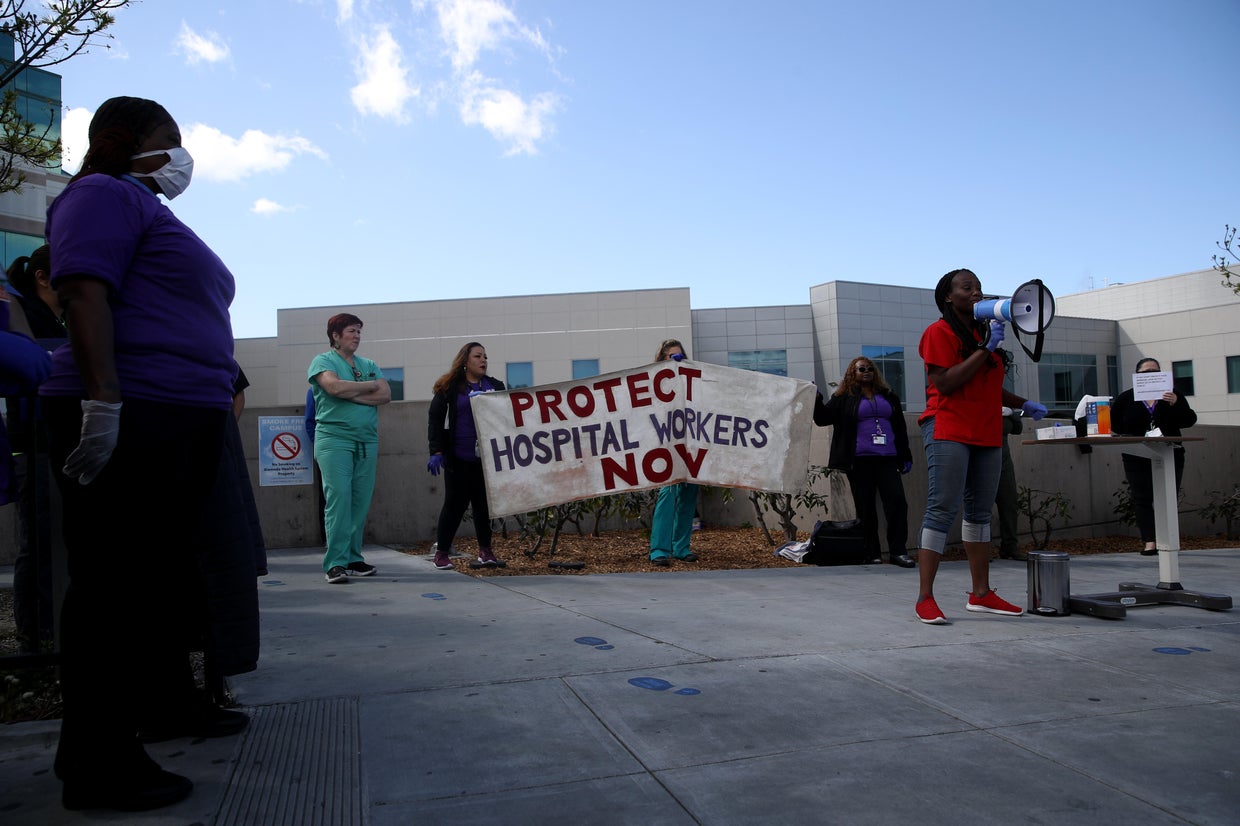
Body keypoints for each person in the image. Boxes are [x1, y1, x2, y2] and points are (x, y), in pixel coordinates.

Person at [41, 95, 241, 811]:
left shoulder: (147, 208)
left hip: (180, 414)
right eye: (171, 139)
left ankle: (165, 705)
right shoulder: (98, 194)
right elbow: (85, 292)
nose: (184, 154)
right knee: (112, 583)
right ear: (128, 141)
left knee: (161, 577)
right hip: (132, 411)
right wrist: (103, 400)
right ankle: (95, 760)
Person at [914, 269, 1047, 625]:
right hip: (949, 425)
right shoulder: (938, 332)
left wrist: (1023, 403)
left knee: (979, 513)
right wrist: (986, 348)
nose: (976, 293)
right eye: (966, 287)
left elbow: (985, 386)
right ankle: (925, 597)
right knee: (942, 508)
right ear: (947, 296)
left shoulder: (982, 333)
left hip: (987, 429)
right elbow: (946, 382)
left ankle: (981, 593)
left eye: (979, 288)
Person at [4, 245, 64, 651]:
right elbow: (34, 368)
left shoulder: (54, 320)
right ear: (43, 277)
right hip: (34, 446)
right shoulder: (24, 316)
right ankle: (36, 635)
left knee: (50, 541)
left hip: (52, 444)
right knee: (39, 543)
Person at [308, 313, 391, 583]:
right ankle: (335, 562)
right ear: (335, 335)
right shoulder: (323, 361)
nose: (356, 336)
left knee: (360, 502)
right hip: (334, 439)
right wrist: (368, 387)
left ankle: (354, 557)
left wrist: (349, 392)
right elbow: (332, 387)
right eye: (351, 331)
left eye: (359, 331)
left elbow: (386, 395)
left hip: (367, 440)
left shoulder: (368, 363)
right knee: (339, 499)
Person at [814, 356, 916, 568]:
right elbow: (822, 418)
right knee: (866, 507)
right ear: (853, 373)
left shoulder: (888, 396)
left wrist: (905, 456)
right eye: (861, 369)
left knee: (897, 503)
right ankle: (872, 553)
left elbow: (900, 428)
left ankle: (898, 552)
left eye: (870, 368)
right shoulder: (844, 397)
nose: (866, 372)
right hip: (859, 461)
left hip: (887, 458)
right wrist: (815, 397)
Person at [427, 341, 506, 570]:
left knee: (483, 505)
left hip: (486, 459)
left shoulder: (495, 385)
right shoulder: (450, 386)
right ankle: (442, 552)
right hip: (458, 457)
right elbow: (435, 419)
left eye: (485, 357)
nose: (483, 360)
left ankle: (486, 552)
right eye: (478, 356)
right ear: (465, 361)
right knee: (454, 505)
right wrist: (437, 451)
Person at [1109, 357, 1197, 555]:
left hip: (1169, 452)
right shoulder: (1126, 397)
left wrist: (1176, 404)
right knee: (1142, 498)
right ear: (1137, 375)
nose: (1150, 375)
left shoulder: (1172, 395)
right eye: (1145, 373)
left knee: (1168, 497)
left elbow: (1189, 420)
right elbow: (1115, 424)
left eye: (1154, 372)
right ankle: (1150, 541)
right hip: (1136, 453)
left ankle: (1168, 540)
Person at [648, 338, 699, 567]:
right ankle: (659, 549)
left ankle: (681, 547)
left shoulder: (692, 381)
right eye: (672, 356)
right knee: (668, 495)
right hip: (666, 445)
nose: (677, 360)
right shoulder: (652, 383)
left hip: (690, 443)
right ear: (662, 360)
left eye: (680, 356)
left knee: (689, 495)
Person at [993, 407, 1027, 561]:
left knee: (1009, 502)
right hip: (981, 455)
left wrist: (1011, 414)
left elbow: (1017, 429)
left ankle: (1010, 546)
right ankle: (979, 548)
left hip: (1003, 458)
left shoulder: (1004, 404)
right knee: (980, 506)